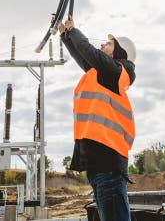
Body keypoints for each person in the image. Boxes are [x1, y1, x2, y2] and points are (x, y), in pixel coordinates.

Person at [57, 15, 136, 221]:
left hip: (107, 164)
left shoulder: (115, 72)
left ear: (120, 52)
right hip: (98, 164)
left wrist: (74, 31)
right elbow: (84, 57)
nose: (103, 44)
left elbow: (89, 52)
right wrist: (66, 36)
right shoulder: (102, 73)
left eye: (109, 43)